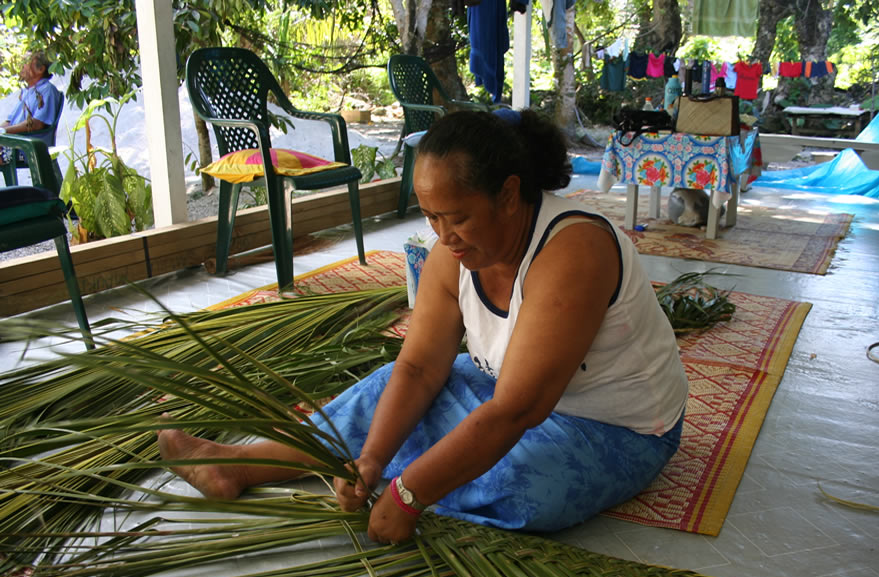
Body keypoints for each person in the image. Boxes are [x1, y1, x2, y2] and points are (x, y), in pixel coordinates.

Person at [159, 108, 689, 545]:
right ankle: (243, 465)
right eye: (431, 217)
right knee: (386, 390)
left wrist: (407, 494)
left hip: (618, 427)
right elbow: (417, 367)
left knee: (523, 483)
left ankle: (403, 471)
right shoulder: (449, 254)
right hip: (505, 390)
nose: (444, 236)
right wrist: (373, 459)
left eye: (456, 216)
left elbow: (518, 410)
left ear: (508, 194)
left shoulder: (573, 248)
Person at [0, 52, 61, 166]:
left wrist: (4, 132)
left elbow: (37, 124)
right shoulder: (27, 91)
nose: (21, 66)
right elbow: (10, 122)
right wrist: (2, 130)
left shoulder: (47, 90)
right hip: (14, 144)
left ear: (40, 69)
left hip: (27, 148)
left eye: (26, 63)